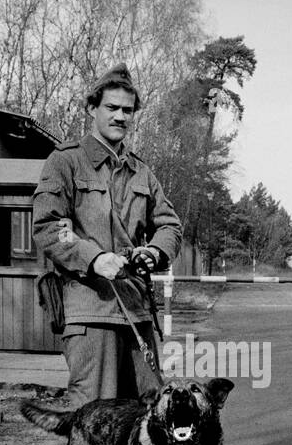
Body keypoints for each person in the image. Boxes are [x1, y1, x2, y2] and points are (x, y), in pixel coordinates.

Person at [32, 63, 182, 408]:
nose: (120, 117)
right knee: (94, 416)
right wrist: (94, 258)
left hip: (136, 311)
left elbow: (169, 224)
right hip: (90, 312)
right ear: (92, 109)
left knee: (148, 414)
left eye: (127, 110)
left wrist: (155, 252)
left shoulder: (141, 170)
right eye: (111, 108)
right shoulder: (66, 162)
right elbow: (48, 225)